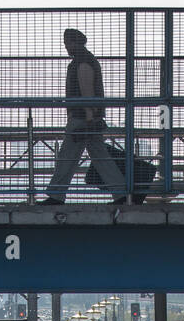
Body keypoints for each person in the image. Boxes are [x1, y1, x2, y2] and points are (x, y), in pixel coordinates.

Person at [39, 29, 127, 206]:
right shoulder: (88, 60)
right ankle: (121, 194)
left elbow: (86, 90)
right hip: (89, 118)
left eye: (67, 43)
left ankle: (56, 195)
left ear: (73, 42)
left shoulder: (82, 62)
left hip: (82, 119)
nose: (65, 47)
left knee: (67, 157)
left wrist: (88, 115)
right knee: (101, 157)